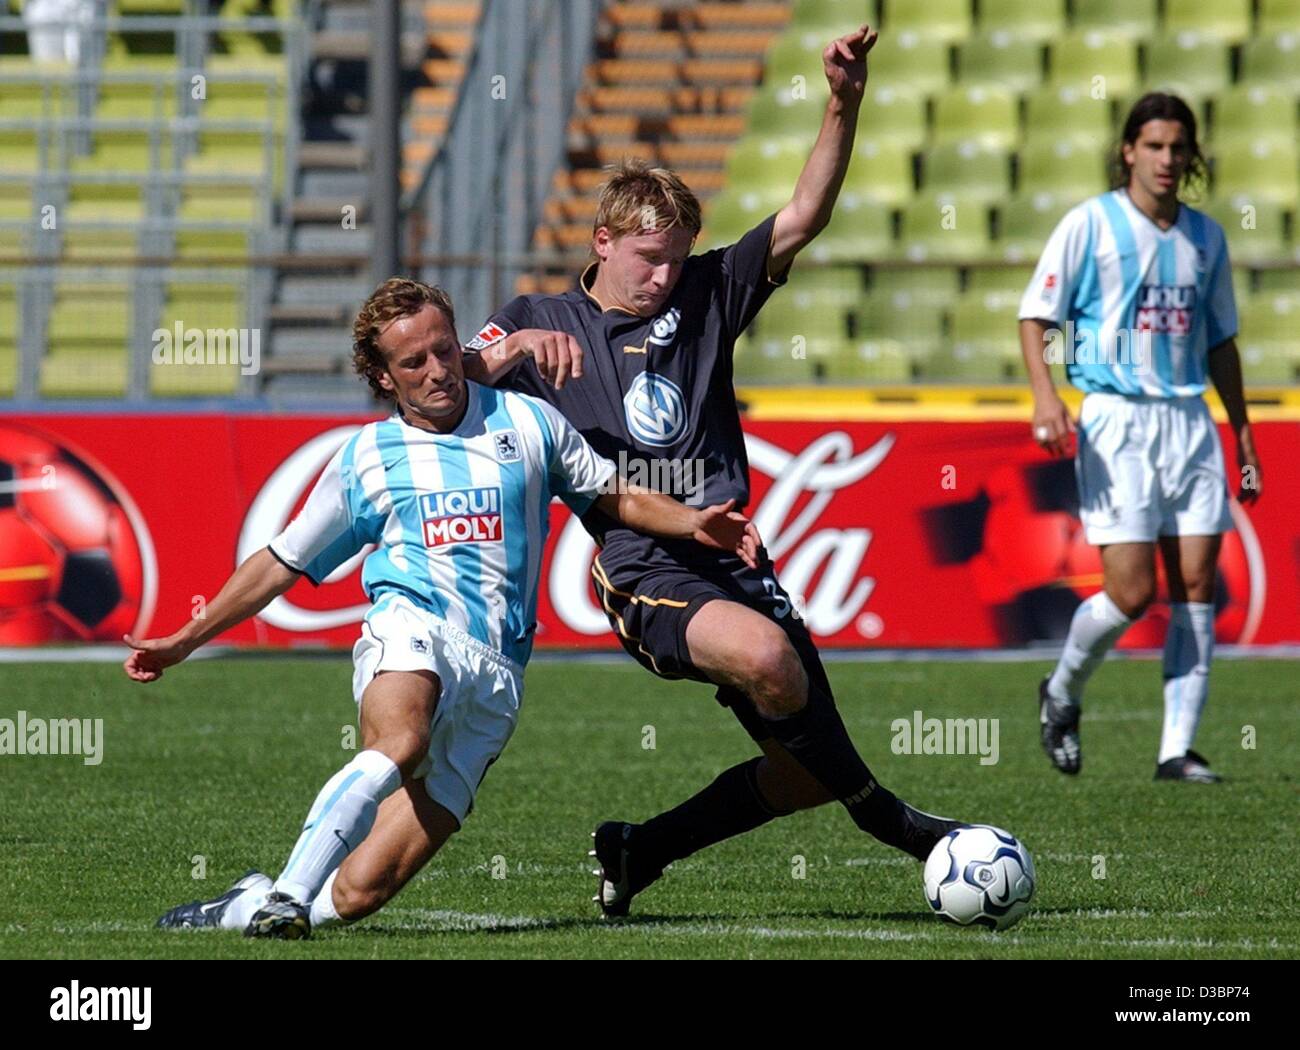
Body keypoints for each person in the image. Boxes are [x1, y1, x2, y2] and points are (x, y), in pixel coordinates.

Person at [462, 24, 963, 918]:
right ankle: (904, 828)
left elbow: (805, 215)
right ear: (602, 240)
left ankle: (640, 847)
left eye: (679, 255)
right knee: (771, 660)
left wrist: (843, 99)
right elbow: (440, 374)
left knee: (802, 774)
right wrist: (503, 356)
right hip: (644, 567)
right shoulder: (538, 318)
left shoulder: (707, 292)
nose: (665, 275)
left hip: (735, 557)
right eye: (650, 257)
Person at [125, 278, 760, 938]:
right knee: (401, 738)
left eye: (443, 350)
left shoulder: (528, 421)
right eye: (413, 362)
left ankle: (248, 904)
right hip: (413, 628)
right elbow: (280, 562)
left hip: (498, 675)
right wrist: (186, 639)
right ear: (382, 376)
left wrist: (691, 523)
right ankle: (287, 892)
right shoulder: (367, 456)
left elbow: (612, 494)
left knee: (359, 893)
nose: (436, 371)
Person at [1017, 92, 1262, 783]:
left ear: (1192, 156)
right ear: (1128, 150)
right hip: (1117, 418)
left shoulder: (1207, 237)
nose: (1166, 159)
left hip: (1190, 421)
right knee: (1130, 592)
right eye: (1153, 145)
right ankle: (1061, 694)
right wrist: (1047, 397)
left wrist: (1241, 433)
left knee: (1195, 583)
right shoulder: (1090, 225)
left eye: (1178, 147)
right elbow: (1036, 316)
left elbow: (1222, 344)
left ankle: (1175, 751)